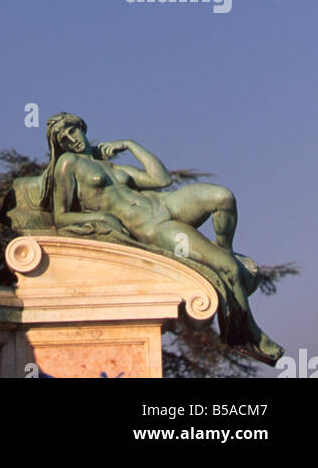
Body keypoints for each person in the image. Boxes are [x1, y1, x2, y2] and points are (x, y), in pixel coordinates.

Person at [36, 112, 282, 365]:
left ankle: (225, 252)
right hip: (155, 227)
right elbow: (61, 216)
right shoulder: (67, 164)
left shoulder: (111, 167)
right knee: (229, 269)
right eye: (63, 138)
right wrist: (101, 218)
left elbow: (161, 179)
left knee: (223, 197)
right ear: (60, 146)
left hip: (167, 205)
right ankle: (249, 336)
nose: (71, 139)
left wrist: (130, 144)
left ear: (82, 128)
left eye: (73, 131)